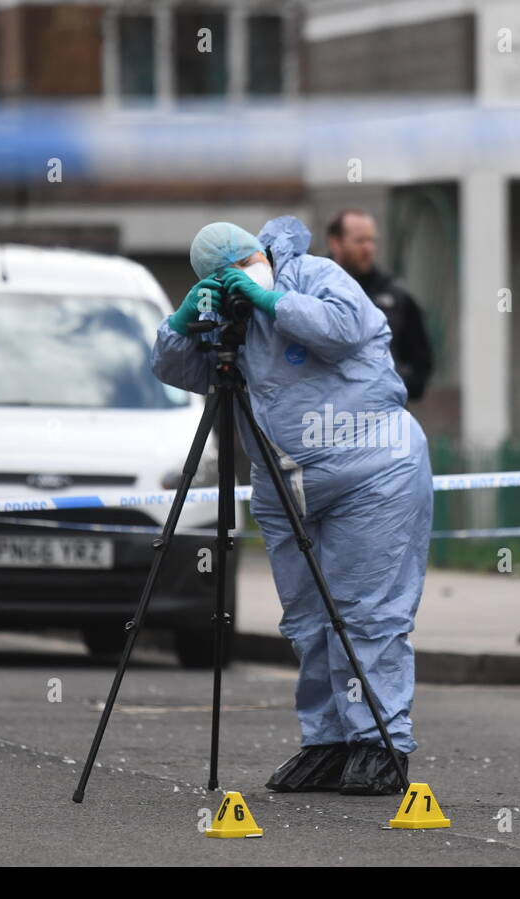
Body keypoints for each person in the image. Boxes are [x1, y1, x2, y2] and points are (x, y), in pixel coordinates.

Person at [150, 217, 433, 795]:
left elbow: (345, 327)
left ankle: (380, 741)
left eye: (238, 271)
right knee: (307, 619)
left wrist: (271, 299)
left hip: (371, 471)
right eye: (220, 278)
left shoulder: (315, 274)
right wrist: (182, 324)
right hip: (284, 483)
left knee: (367, 612)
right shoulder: (231, 316)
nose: (234, 283)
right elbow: (182, 373)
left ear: (259, 256)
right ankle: (327, 740)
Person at [326, 208, 434, 402]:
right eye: (359, 241)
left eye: (371, 240)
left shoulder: (396, 296)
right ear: (336, 243)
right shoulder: (312, 290)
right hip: (323, 416)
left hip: (380, 419)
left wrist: (391, 386)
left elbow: (421, 363)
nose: (368, 248)